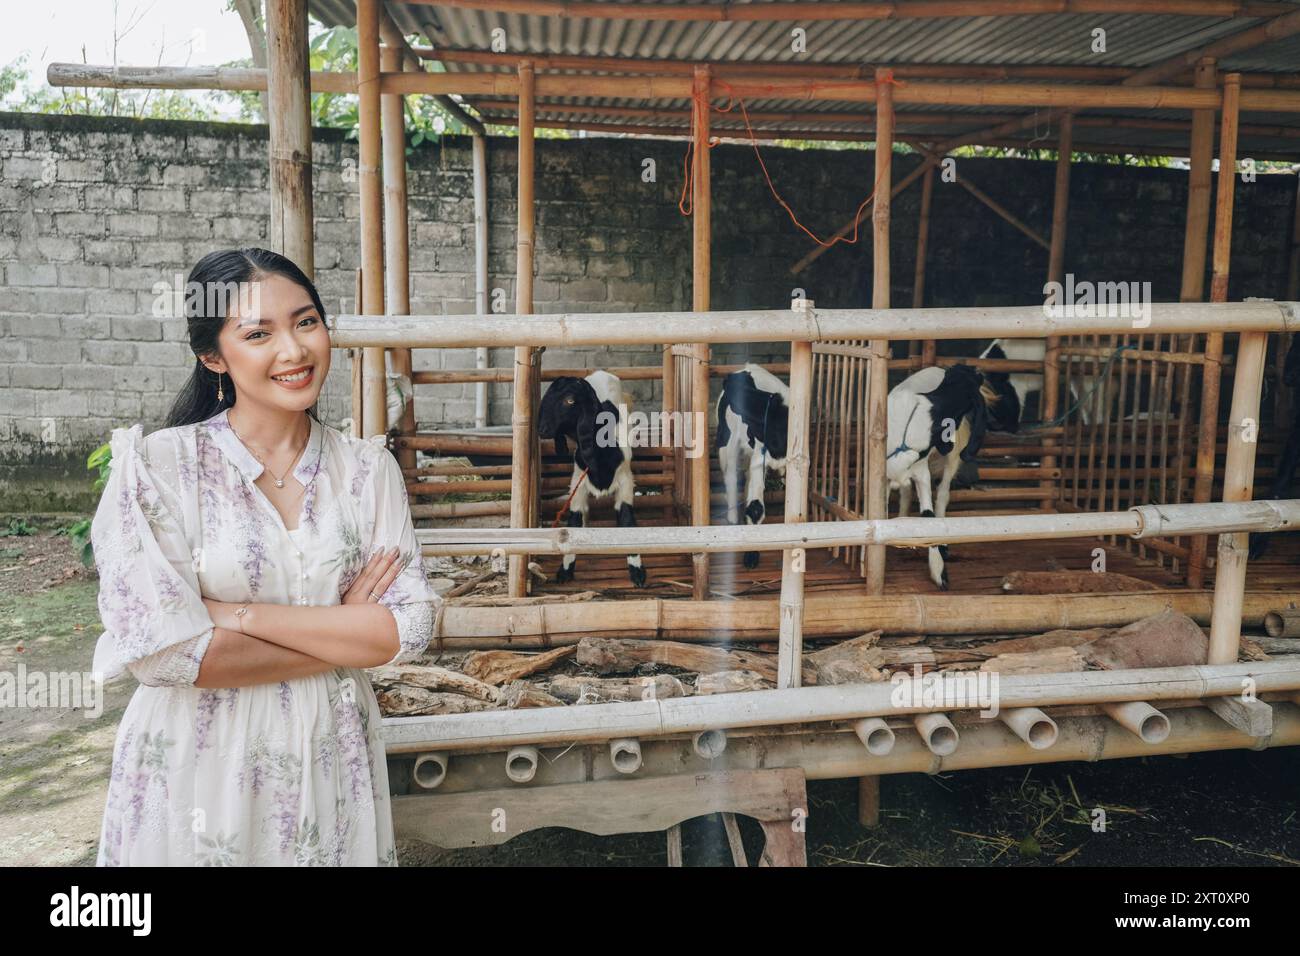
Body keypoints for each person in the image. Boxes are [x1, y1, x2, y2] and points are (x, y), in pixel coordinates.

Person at [90, 248, 440, 866]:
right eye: (259, 333)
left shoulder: (367, 469)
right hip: (196, 764)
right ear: (213, 356)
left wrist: (232, 615)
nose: (295, 350)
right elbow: (164, 654)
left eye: (306, 322)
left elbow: (406, 630)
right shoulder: (157, 468)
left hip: (330, 753)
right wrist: (341, 629)